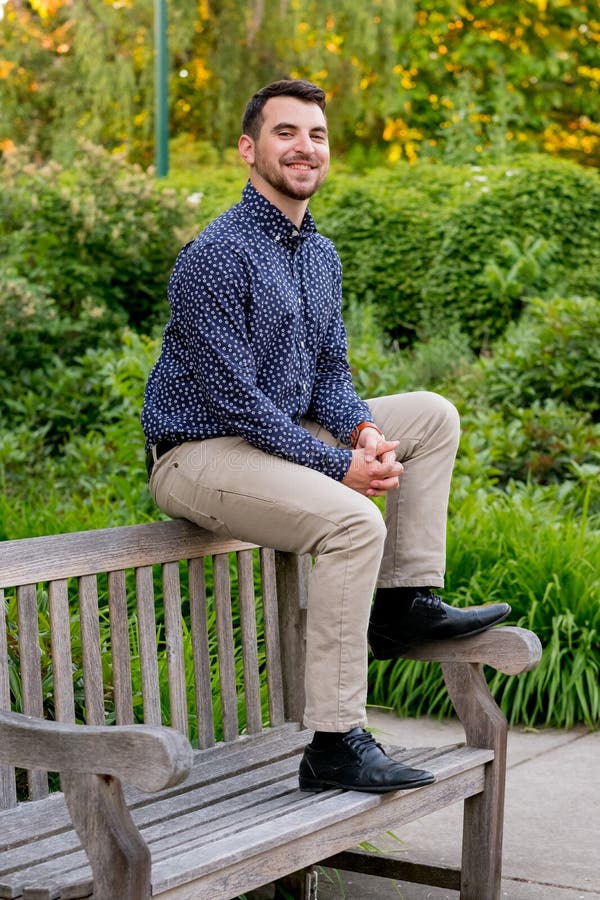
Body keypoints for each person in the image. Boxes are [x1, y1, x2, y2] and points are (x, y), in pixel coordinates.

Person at [141, 79, 510, 794]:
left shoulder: (320, 254)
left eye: (315, 134)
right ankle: (336, 741)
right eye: (285, 132)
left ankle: (403, 605)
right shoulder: (215, 254)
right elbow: (235, 401)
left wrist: (364, 430)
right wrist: (339, 466)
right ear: (249, 150)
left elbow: (330, 373)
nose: (304, 146)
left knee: (430, 416)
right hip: (198, 451)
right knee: (352, 521)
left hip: (274, 434)